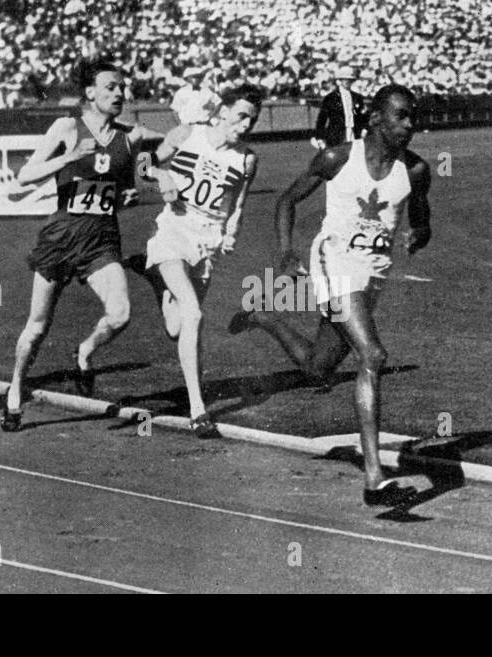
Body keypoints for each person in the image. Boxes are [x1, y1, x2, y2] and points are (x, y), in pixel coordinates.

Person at [228, 85, 432, 506]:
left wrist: (417, 235)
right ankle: (375, 479)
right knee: (372, 356)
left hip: (372, 277)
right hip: (332, 264)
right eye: (401, 116)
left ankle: (264, 317)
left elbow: (423, 220)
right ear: (375, 119)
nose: (410, 125)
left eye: (412, 117)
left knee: (317, 368)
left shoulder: (414, 171)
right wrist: (286, 253)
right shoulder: (338, 158)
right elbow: (287, 200)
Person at [0, 61, 161, 432]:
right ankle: (15, 388)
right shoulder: (67, 127)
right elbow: (24, 176)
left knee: (120, 314)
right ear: (90, 93)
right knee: (37, 328)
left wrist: (127, 197)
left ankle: (85, 350)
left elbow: (113, 192)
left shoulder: (130, 137)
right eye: (110, 88)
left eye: (122, 87)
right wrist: (69, 156)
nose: (119, 94)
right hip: (61, 239)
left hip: (101, 241)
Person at [128, 84, 263, 438]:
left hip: (207, 243)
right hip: (174, 230)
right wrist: (161, 175)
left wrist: (230, 235)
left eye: (252, 119)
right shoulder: (187, 134)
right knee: (195, 314)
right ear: (221, 113)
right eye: (241, 116)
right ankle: (198, 409)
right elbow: (143, 163)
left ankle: (157, 282)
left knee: (177, 327)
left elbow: (238, 205)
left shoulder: (247, 158)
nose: (246, 125)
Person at [312, 65, 366, 150]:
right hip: (337, 136)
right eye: (344, 79)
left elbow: (363, 117)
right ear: (340, 80)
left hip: (354, 134)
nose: (347, 81)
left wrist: (364, 129)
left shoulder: (357, 97)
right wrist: (319, 138)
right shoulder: (330, 98)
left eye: (349, 79)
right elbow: (321, 120)